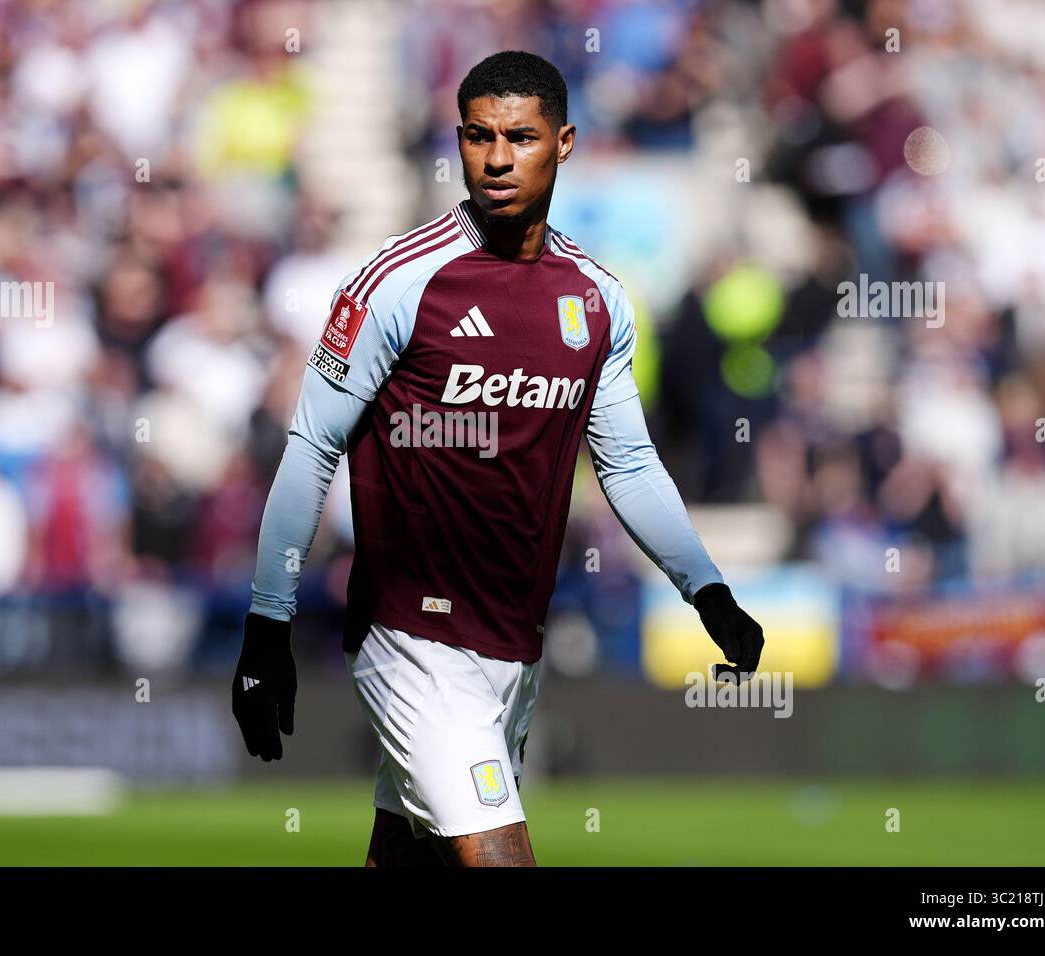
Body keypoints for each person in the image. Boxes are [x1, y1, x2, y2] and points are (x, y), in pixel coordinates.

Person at [233, 50, 764, 867]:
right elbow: (311, 445)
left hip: (513, 643)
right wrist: (269, 624)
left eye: (520, 137)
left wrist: (709, 590)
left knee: (410, 856)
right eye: (480, 137)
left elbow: (626, 463)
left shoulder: (595, 297)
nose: (497, 158)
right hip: (410, 634)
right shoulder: (398, 282)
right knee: (501, 860)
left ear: (565, 143)